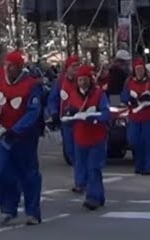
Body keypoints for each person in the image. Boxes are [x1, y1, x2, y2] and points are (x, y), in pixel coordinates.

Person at [0, 51, 43, 226]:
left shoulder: (31, 85)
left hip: (23, 137)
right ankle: (8, 207)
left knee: (29, 173)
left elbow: (33, 112)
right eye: (6, 65)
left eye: (12, 66)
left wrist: (16, 130)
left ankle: (32, 212)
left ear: (19, 67)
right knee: (1, 170)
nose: (8, 69)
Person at [63, 65, 110, 210]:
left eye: (85, 79)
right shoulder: (73, 95)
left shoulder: (99, 94)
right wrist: (69, 116)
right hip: (80, 137)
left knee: (93, 167)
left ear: (90, 80)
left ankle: (93, 197)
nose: (83, 82)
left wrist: (94, 117)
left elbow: (106, 113)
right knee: (83, 166)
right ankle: (98, 196)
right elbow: (68, 114)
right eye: (80, 80)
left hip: (97, 137)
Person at [121, 58, 150, 175]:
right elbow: (123, 96)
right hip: (134, 117)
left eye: (141, 69)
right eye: (137, 69)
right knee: (134, 140)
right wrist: (129, 100)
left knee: (148, 141)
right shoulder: (129, 83)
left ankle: (148, 166)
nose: (139, 71)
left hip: (149, 117)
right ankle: (139, 164)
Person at [46, 56, 81, 169]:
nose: (76, 68)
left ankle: (81, 167)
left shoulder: (83, 80)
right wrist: (54, 113)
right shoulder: (61, 82)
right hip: (66, 120)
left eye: (78, 66)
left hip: (81, 118)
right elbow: (53, 99)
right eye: (73, 66)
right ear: (67, 68)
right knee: (69, 146)